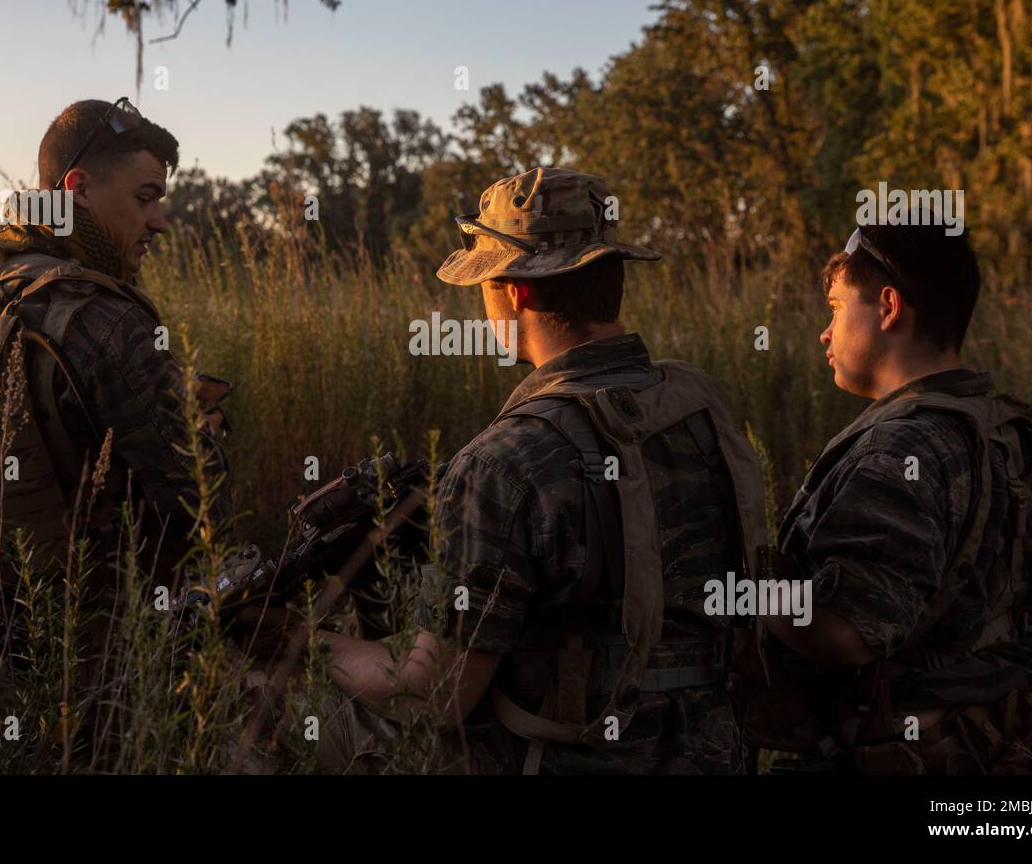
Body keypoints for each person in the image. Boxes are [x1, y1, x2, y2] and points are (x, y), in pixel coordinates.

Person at [254, 166, 768, 774]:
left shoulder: (504, 460)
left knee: (292, 708)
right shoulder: (702, 407)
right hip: (716, 751)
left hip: (570, 759)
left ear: (516, 289)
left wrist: (305, 639)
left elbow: (434, 696)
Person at [0, 97, 234, 696]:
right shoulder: (107, 320)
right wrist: (207, 435)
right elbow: (203, 507)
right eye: (145, 198)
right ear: (78, 189)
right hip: (86, 662)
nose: (161, 220)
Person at [749, 223, 1032, 773]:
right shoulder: (1008, 432)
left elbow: (849, 630)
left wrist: (745, 588)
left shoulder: (901, 446)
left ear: (889, 307)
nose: (825, 332)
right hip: (1011, 755)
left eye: (837, 307)